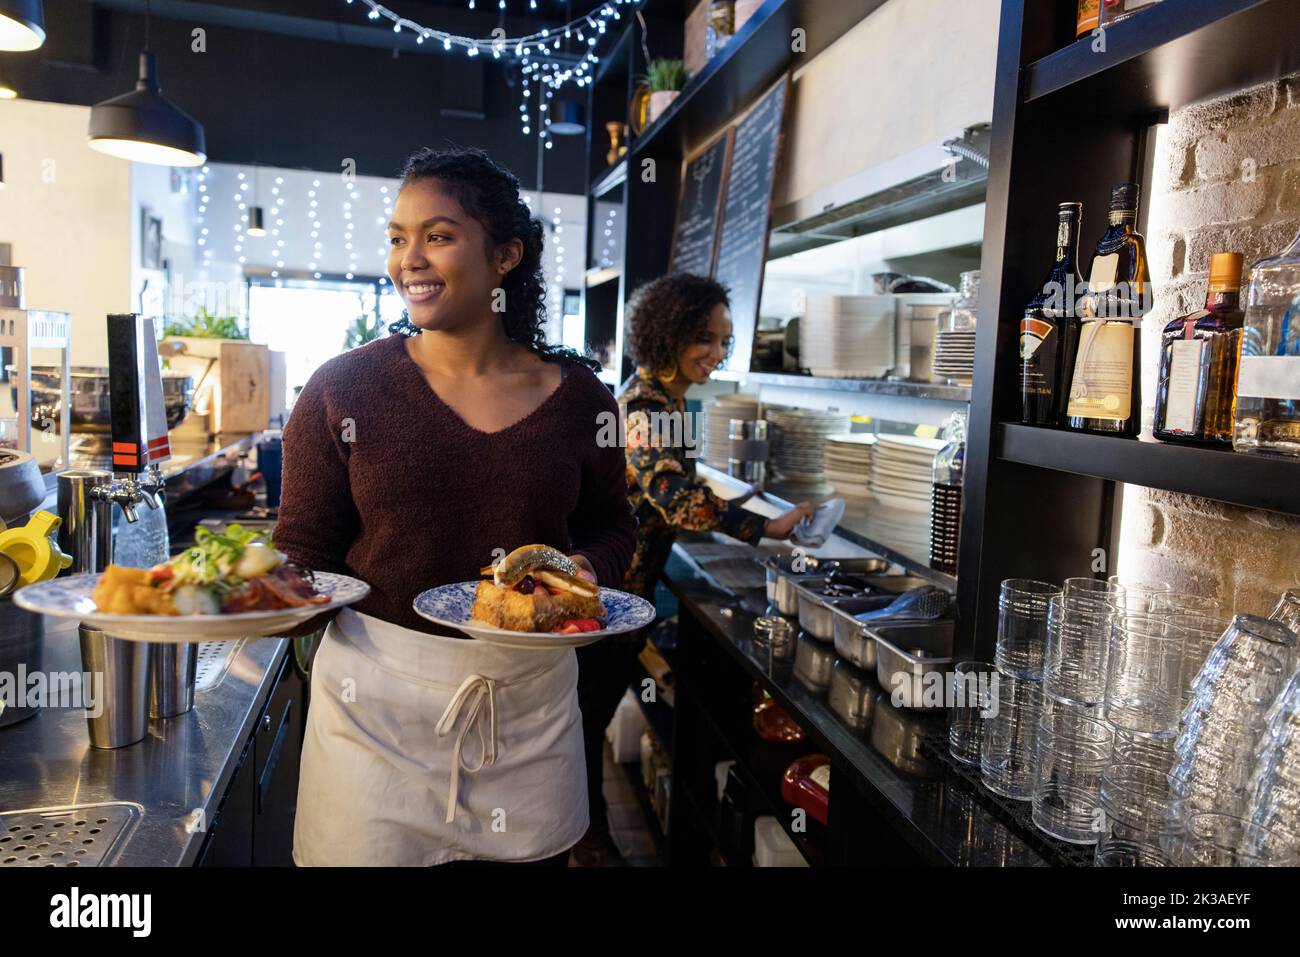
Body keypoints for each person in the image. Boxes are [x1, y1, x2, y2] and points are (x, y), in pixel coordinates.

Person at [276, 146, 636, 866]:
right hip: (371, 718)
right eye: (397, 237)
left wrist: (584, 570)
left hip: (526, 715)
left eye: (437, 236)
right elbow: (305, 550)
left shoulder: (582, 400)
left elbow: (612, 523)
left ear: (506, 255)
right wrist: (272, 590)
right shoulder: (341, 389)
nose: (409, 259)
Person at [571, 274, 813, 866]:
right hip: (608, 597)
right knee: (584, 725)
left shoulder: (667, 400)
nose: (716, 353)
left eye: (724, 341)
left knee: (588, 722)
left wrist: (733, 497)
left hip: (628, 591)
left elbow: (673, 481)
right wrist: (766, 527)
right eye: (705, 338)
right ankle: (586, 839)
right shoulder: (645, 408)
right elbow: (676, 500)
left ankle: (584, 830)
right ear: (669, 333)